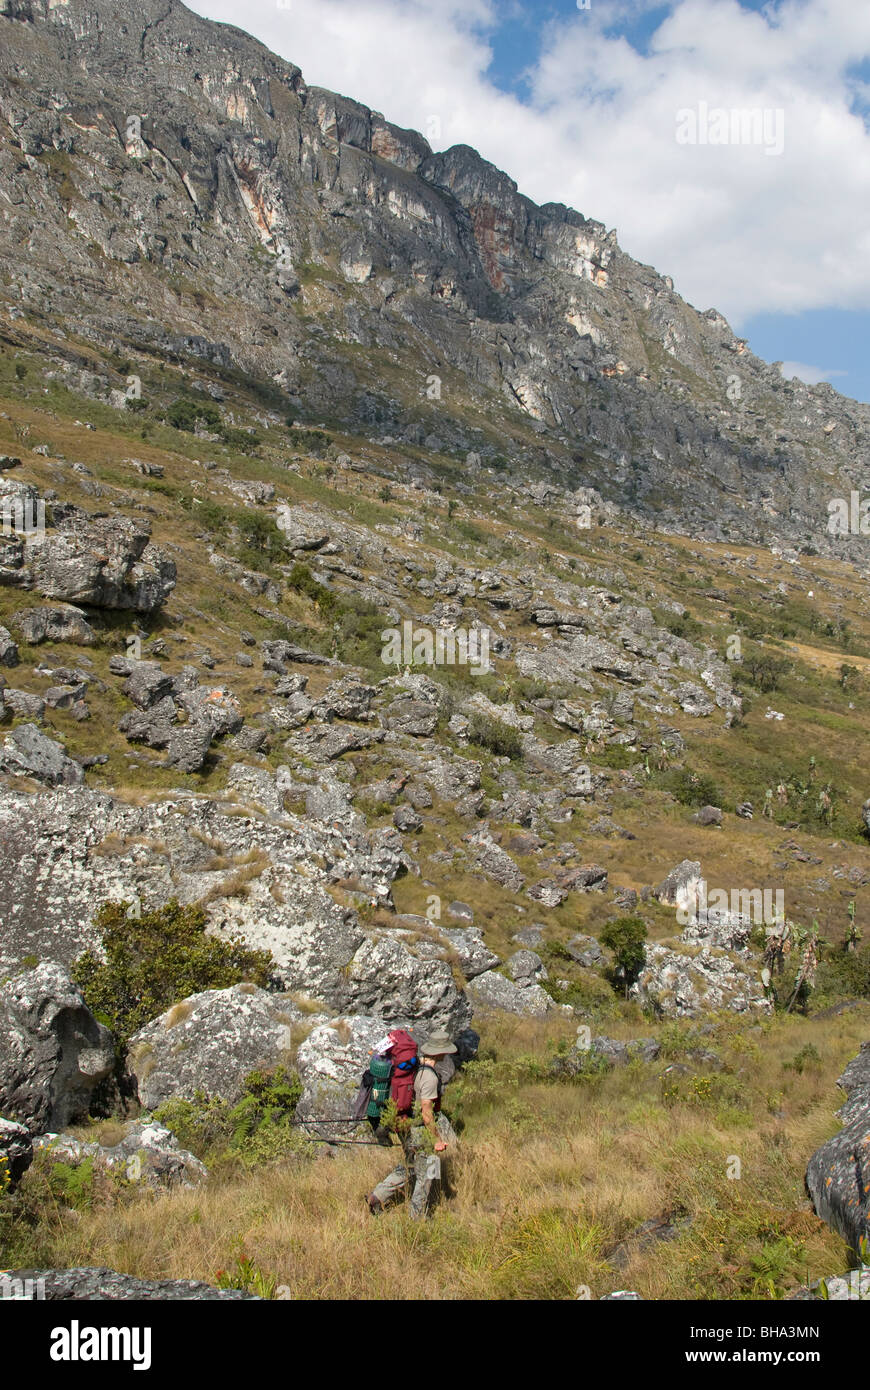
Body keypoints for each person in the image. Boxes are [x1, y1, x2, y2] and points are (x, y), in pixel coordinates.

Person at [366, 1029, 457, 1219]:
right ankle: (418, 1217)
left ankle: (378, 1195)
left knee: (410, 1166)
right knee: (427, 1171)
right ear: (441, 1052)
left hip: (403, 1123)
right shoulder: (430, 1077)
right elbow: (427, 1112)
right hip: (419, 1130)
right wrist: (436, 1139)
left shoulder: (415, 1064)